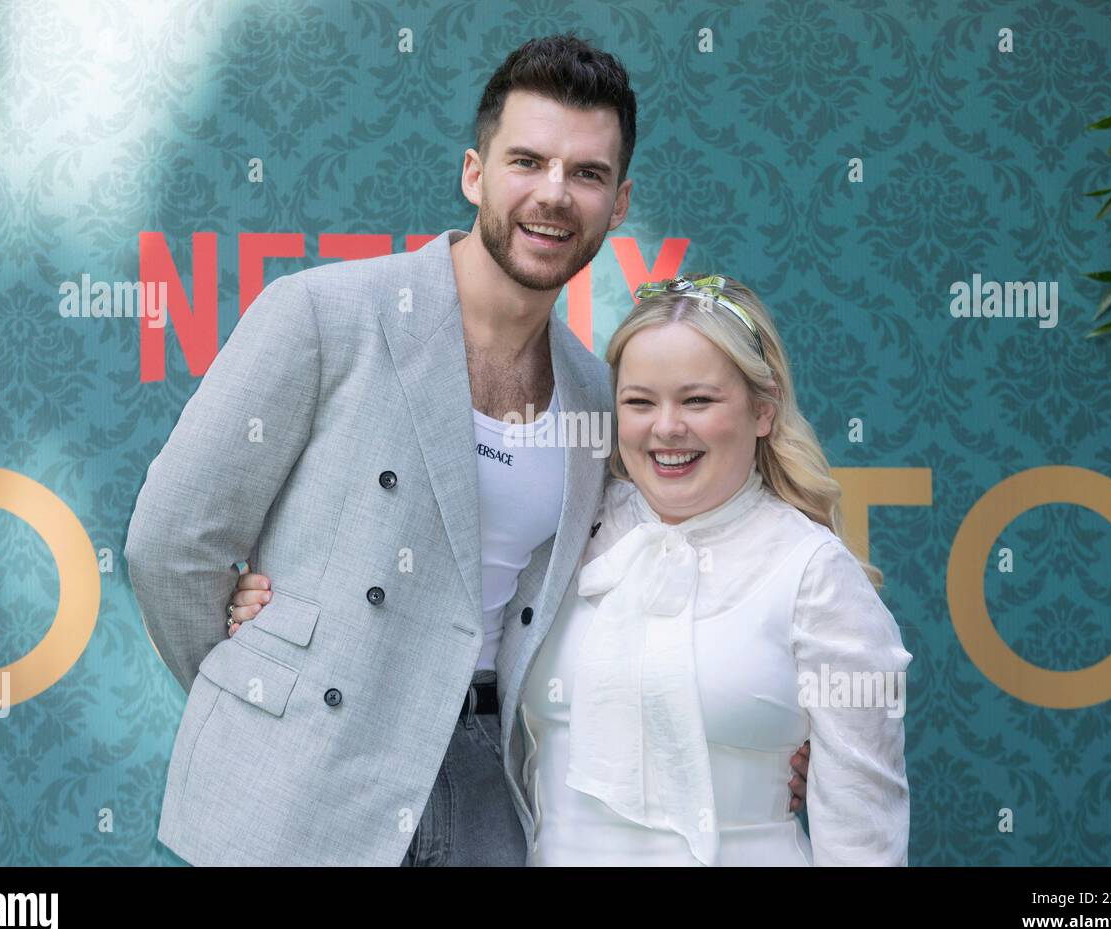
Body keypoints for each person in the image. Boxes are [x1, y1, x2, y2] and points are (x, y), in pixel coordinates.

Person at [125, 33, 812, 867]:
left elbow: (675, 571)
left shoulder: (600, 394)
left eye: (587, 174)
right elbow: (171, 541)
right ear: (474, 173)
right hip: (298, 786)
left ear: (619, 203)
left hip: (487, 784)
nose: (553, 195)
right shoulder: (325, 316)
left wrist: (777, 720)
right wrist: (257, 687)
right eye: (528, 161)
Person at [230, 273, 912, 865]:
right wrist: (272, 611)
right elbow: (429, 609)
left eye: (699, 401)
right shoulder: (569, 531)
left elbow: (863, 832)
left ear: (763, 412)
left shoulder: (815, 575)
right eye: (641, 402)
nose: (666, 428)